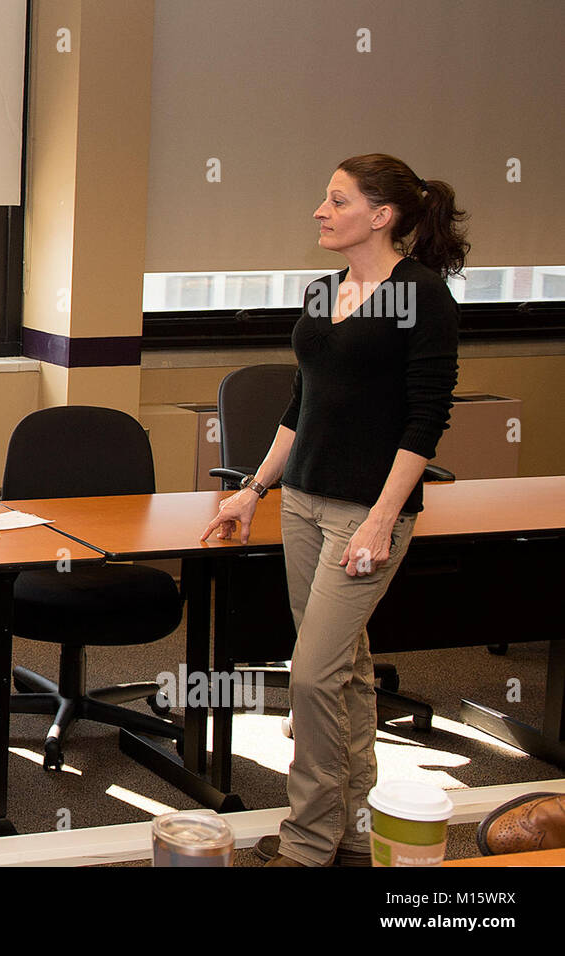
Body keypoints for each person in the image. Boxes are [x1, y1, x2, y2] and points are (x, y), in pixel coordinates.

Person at [201, 153, 466, 866]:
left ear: (381, 216)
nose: (320, 210)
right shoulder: (326, 291)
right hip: (304, 500)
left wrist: (383, 517)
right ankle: (351, 829)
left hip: (365, 512)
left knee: (313, 675)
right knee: (343, 670)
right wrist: (254, 489)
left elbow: (426, 417)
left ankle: (308, 839)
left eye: (337, 200)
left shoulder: (421, 296)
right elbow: (302, 405)